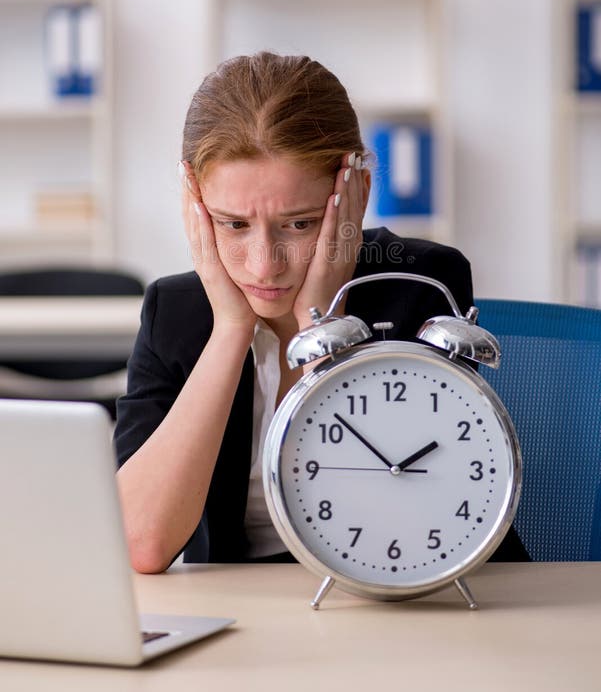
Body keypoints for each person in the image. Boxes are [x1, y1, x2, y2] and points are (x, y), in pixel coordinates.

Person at [115, 51, 528, 573]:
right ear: (195, 206)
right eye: (233, 224)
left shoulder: (421, 288)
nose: (264, 266)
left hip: (405, 601)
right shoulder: (173, 313)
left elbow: (398, 525)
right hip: (242, 613)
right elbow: (141, 546)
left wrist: (321, 323)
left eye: (300, 224)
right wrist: (231, 329)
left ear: (354, 193)